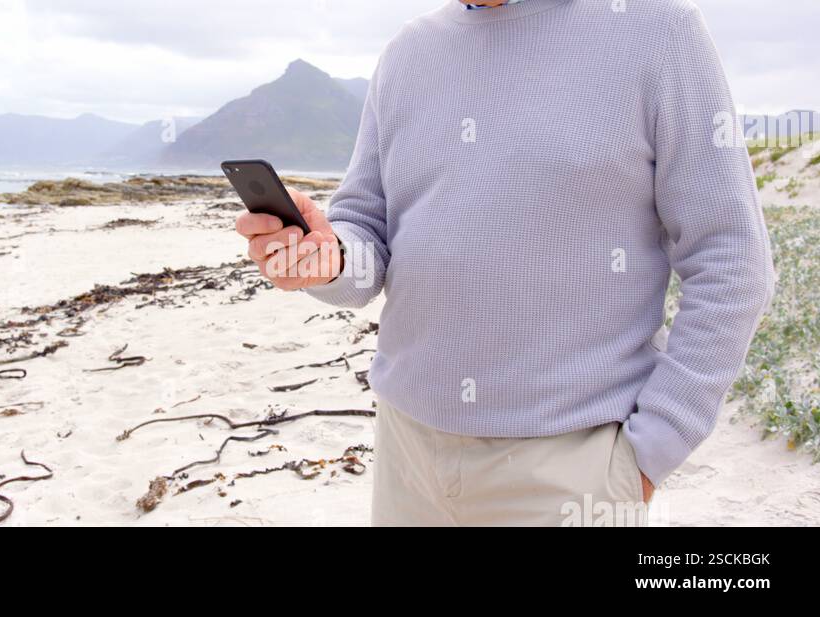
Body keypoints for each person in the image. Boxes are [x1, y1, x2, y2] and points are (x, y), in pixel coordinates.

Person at [234, 0, 775, 526]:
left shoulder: (659, 31)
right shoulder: (407, 52)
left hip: (571, 467)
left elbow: (732, 260)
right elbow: (367, 233)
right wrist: (327, 259)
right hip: (407, 453)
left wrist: (652, 451)